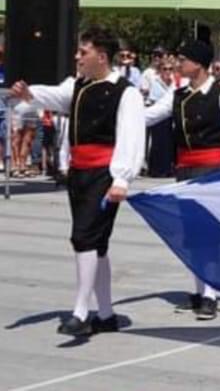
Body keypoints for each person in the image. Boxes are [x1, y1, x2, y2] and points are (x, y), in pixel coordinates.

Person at [10, 27, 144, 336]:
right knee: (96, 246)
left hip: (104, 174)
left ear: (101, 56)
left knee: (83, 237)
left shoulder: (126, 92)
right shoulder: (79, 85)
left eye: (83, 52)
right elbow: (56, 95)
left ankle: (82, 311)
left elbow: (132, 136)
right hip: (79, 173)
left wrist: (122, 179)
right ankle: (106, 315)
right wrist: (29, 93)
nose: (77, 57)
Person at [145, 40, 220, 320]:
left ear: (198, 63)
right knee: (191, 234)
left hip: (212, 170)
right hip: (184, 170)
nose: (177, 63)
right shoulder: (177, 94)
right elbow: (147, 116)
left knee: (208, 233)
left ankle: (209, 295)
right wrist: (118, 114)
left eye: (183, 59)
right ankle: (199, 291)